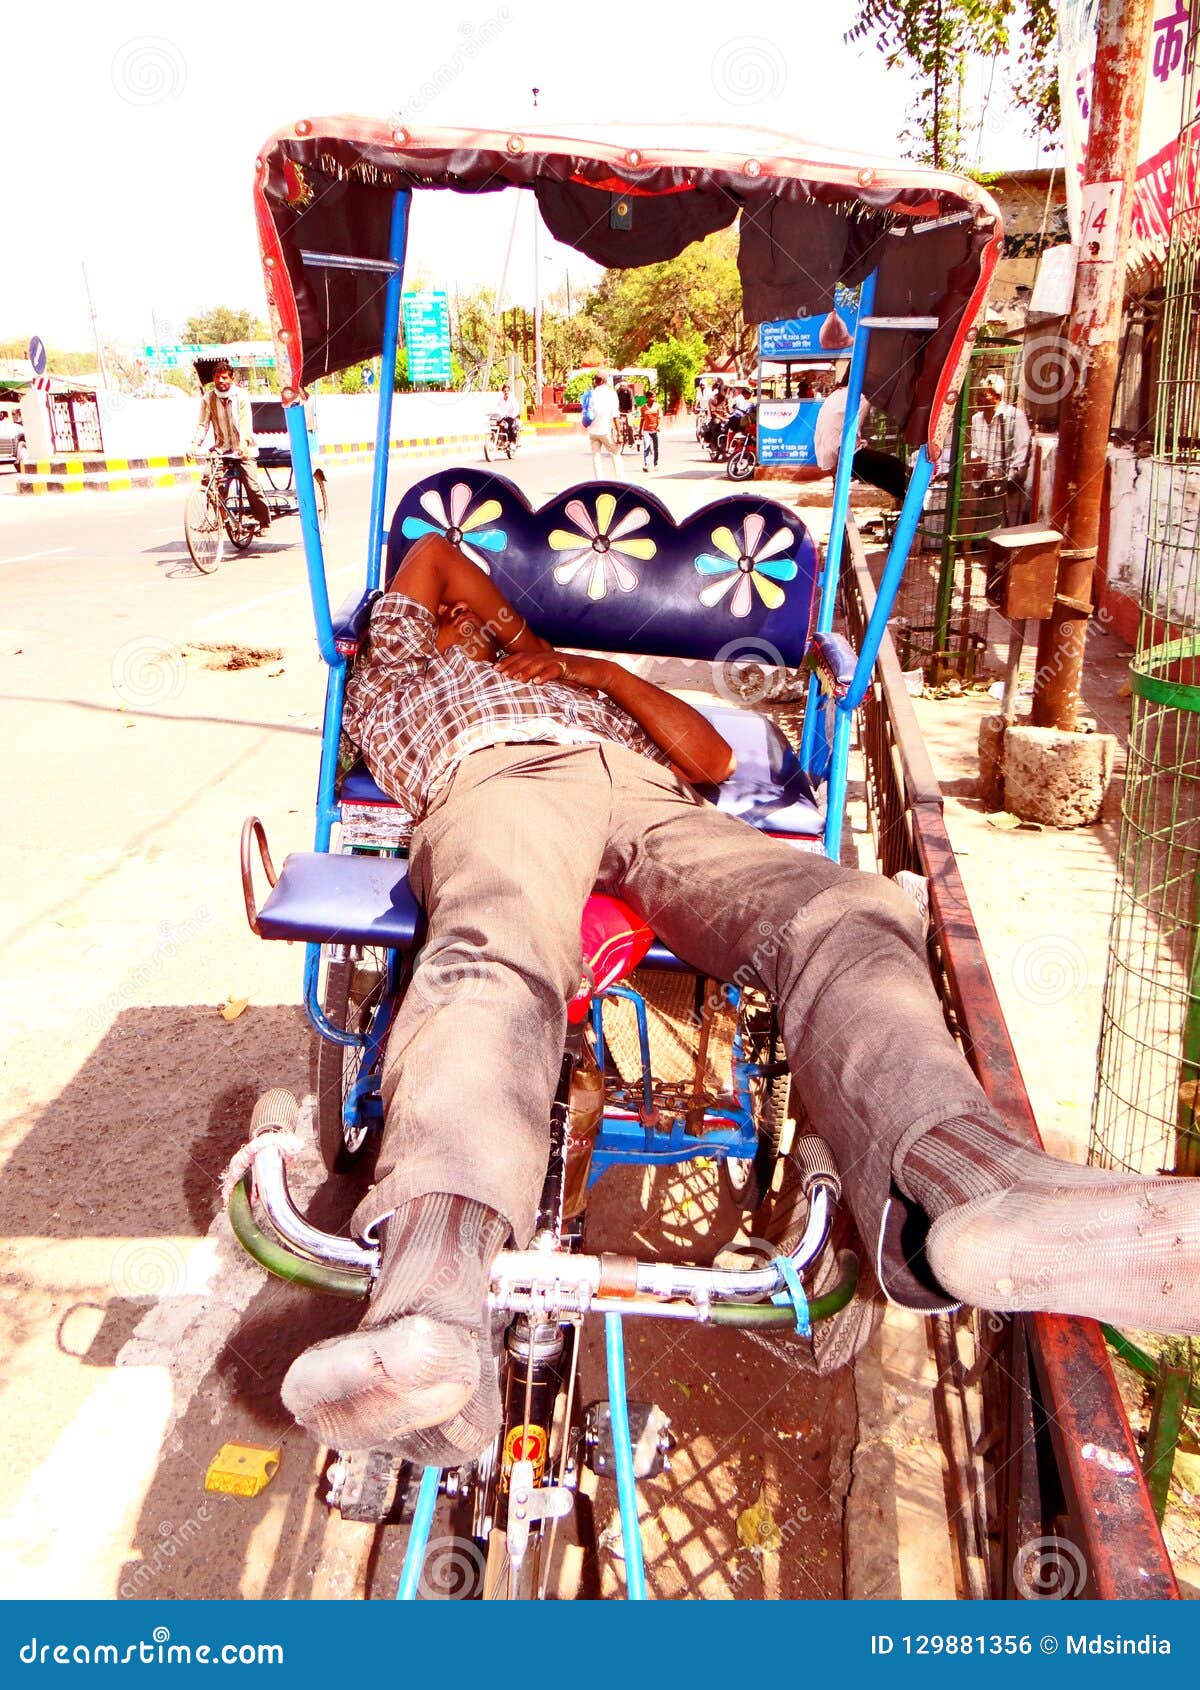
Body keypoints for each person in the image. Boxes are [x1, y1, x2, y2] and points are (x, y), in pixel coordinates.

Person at [282, 528, 1200, 1460]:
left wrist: (586, 671)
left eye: (471, 619)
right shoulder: (403, 671)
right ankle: (432, 1296)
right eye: (450, 618)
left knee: (849, 909)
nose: (462, 619)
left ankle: (984, 1184)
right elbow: (434, 556)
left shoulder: (576, 687)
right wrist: (497, 630)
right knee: (494, 955)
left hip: (646, 797)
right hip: (498, 782)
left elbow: (714, 762)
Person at [189, 360, 271, 531]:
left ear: (232, 379)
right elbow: (203, 425)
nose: (221, 380)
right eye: (217, 377)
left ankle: (263, 521)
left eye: (225, 377)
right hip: (221, 449)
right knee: (209, 479)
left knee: (252, 485)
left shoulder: (241, 396)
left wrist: (243, 445)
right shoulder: (208, 398)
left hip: (243, 449)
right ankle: (221, 515)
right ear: (213, 378)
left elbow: (246, 423)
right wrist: (194, 445)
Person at [814, 372, 908, 503]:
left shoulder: (835, 394)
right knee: (894, 466)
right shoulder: (861, 396)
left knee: (886, 466)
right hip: (842, 454)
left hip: (827, 455)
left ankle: (903, 502)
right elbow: (853, 428)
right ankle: (910, 506)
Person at [970, 372, 1032, 525]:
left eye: (984, 395)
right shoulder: (976, 419)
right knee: (984, 526)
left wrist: (1006, 478)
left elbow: (1022, 454)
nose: (978, 399)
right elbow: (974, 448)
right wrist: (976, 460)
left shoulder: (1015, 416)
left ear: (997, 397)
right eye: (978, 395)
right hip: (982, 484)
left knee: (1006, 526)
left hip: (1007, 488)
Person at [584, 372, 622, 481]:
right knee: (615, 453)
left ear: (596, 381)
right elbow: (615, 415)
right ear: (605, 381)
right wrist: (619, 434)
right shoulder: (611, 394)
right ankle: (620, 480)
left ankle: (599, 481)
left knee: (596, 456)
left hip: (592, 431)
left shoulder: (591, 393)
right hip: (605, 430)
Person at [639, 388, 662, 472]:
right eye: (652, 397)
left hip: (655, 430)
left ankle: (656, 463)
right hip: (646, 431)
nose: (654, 398)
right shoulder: (643, 408)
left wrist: (659, 426)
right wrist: (640, 431)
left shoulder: (658, 406)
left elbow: (660, 417)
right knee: (646, 447)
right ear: (647, 398)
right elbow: (642, 420)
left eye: (655, 397)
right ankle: (646, 464)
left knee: (656, 448)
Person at [492, 383, 520, 448]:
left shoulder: (512, 400)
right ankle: (500, 441)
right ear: (503, 392)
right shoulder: (500, 400)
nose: (506, 392)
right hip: (503, 418)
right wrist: (496, 414)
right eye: (505, 391)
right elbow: (497, 408)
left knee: (511, 427)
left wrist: (513, 415)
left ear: (509, 391)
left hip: (511, 417)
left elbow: (516, 408)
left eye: (507, 391)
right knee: (500, 426)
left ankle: (512, 441)